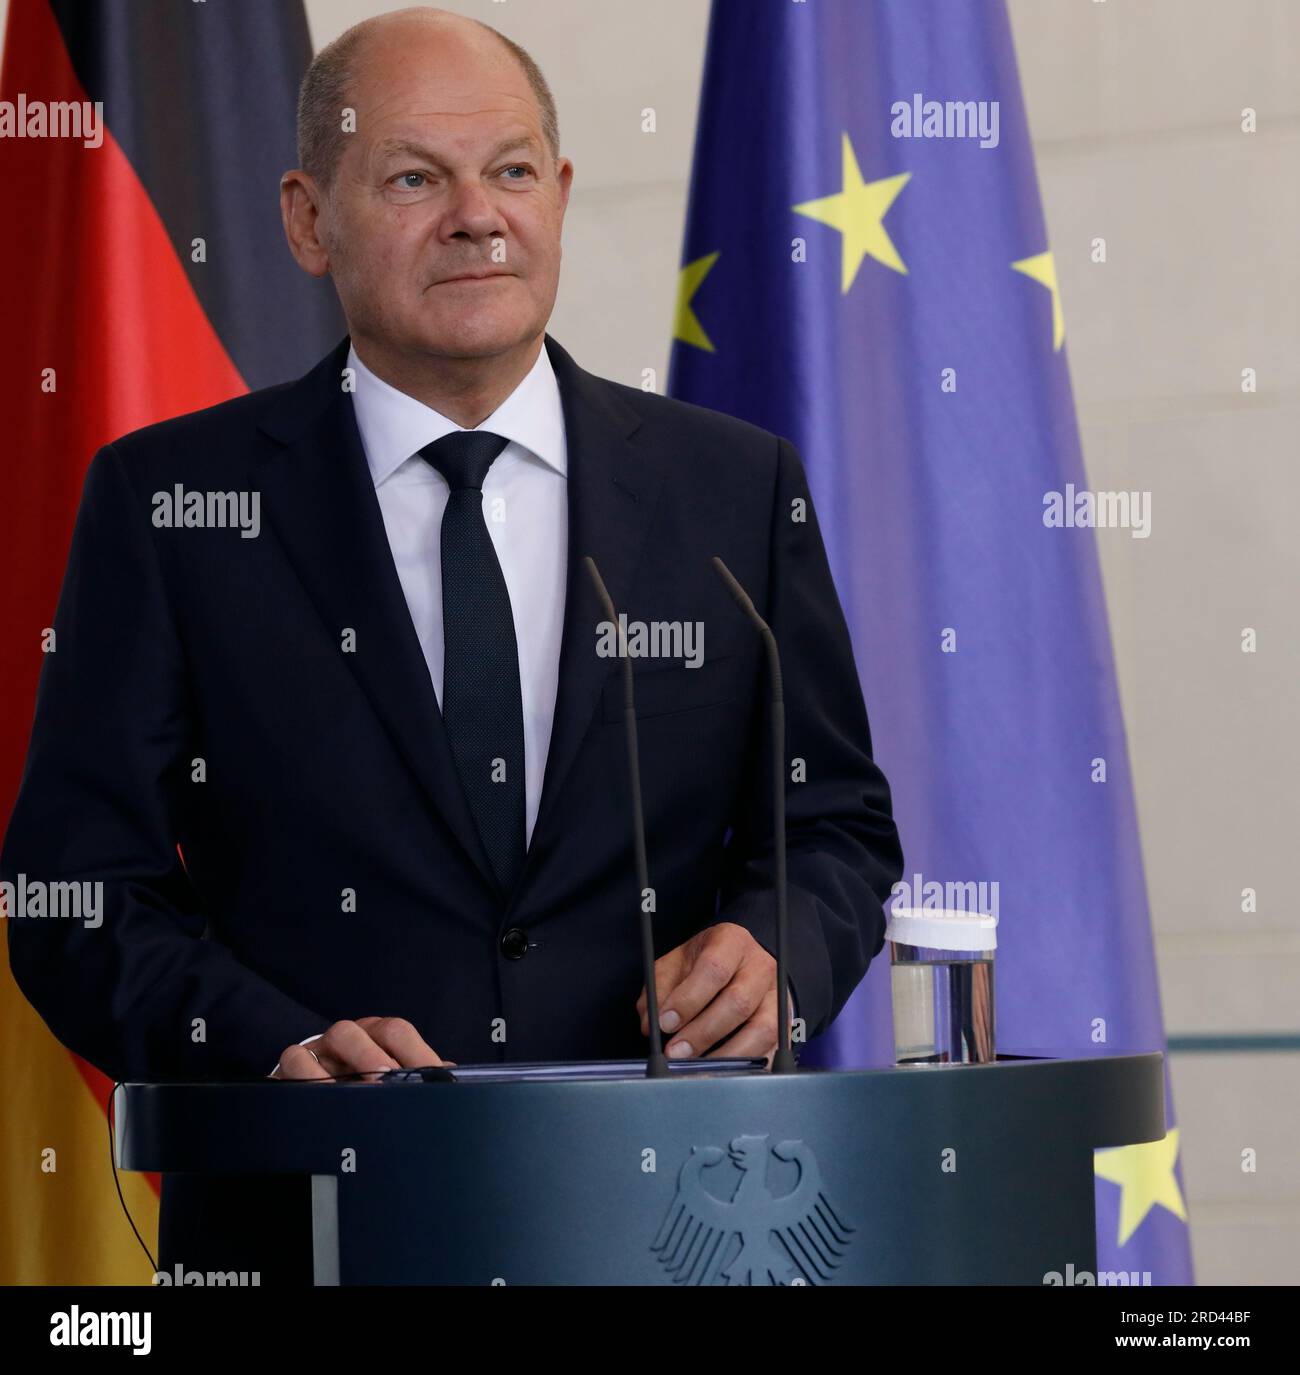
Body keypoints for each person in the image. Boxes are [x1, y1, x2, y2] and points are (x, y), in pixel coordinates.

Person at [2, 5, 903, 1281]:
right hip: (308, 1228)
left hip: (675, 1226)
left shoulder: (732, 489)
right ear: (309, 221)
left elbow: (832, 829)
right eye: (415, 177)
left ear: (561, 193)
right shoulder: (170, 506)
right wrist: (274, 1043)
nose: (478, 215)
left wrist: (779, 953)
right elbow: (76, 893)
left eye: (513, 170)